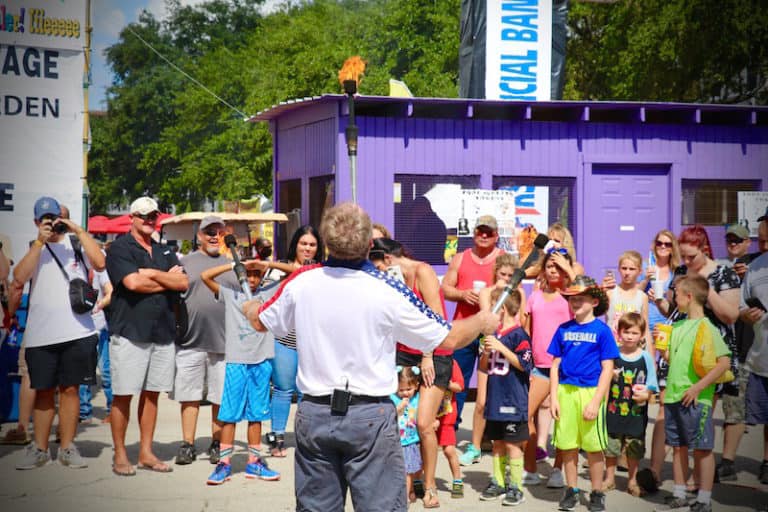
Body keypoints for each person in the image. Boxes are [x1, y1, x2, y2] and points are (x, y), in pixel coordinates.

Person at [246, 202, 498, 512]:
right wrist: (483, 321)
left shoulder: (303, 282)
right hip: (369, 415)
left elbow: (261, 320)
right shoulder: (386, 290)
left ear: (326, 242)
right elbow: (448, 336)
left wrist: (249, 307)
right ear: (369, 245)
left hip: (316, 413)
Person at [12, 196, 105, 470]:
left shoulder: (76, 244)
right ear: (36, 222)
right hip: (42, 334)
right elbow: (18, 278)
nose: (53, 223)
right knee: (43, 392)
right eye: (46, 219)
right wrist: (40, 241)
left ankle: (67, 447)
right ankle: (39, 449)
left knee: (71, 390)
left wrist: (79, 231)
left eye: (57, 217)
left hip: (77, 331)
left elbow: (100, 263)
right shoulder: (34, 248)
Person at [106, 196, 189, 476]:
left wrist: (153, 274)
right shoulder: (119, 248)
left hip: (162, 332)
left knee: (152, 395)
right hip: (130, 331)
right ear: (132, 217)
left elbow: (183, 282)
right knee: (123, 394)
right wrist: (166, 282)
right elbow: (131, 282)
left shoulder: (164, 251)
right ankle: (120, 453)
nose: (150, 220)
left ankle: (145, 452)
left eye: (154, 215)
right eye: (144, 215)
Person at [369, 237, 451, 507]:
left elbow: (437, 319)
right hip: (403, 352)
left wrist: (427, 355)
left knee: (424, 423)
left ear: (389, 259)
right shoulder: (391, 279)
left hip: (433, 352)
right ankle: (402, 480)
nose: (378, 274)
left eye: (378, 267)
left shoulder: (422, 271)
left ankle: (430, 486)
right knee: (392, 419)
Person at [199, 259, 280, 485]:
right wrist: (235, 265)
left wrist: (267, 263)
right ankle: (224, 464)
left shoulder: (270, 291)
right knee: (229, 415)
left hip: (262, 361)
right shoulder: (231, 294)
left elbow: (297, 272)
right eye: (248, 274)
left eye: (257, 274)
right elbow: (205, 276)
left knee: (257, 415)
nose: (252, 279)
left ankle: (254, 462)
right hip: (237, 362)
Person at [658, 274, 731, 512]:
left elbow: (723, 363)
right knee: (678, 446)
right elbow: (673, 359)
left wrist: (698, 387)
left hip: (697, 398)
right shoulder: (677, 325)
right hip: (673, 395)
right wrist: (661, 348)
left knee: (702, 448)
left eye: (676, 294)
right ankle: (679, 492)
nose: (673, 297)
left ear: (689, 297)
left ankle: (704, 498)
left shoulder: (707, 327)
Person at [548, 275, 618, 512]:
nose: (575, 303)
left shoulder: (603, 331)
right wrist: (554, 397)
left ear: (595, 302)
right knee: (567, 446)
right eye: (572, 299)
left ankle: (597, 492)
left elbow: (608, 368)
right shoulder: (563, 329)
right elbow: (555, 365)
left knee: (594, 447)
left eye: (581, 299)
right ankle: (572, 489)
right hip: (566, 392)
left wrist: (597, 401)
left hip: (590, 392)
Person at [253, 225, 324, 457]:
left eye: (312, 245)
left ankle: (307, 438)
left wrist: (270, 262)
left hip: (312, 342)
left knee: (308, 392)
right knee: (283, 390)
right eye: (304, 243)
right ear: (295, 245)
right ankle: (277, 437)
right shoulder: (278, 272)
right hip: (284, 340)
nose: (308, 248)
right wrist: (272, 265)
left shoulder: (322, 271)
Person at [173, 216, 238, 466]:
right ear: (199, 235)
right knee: (189, 396)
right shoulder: (184, 263)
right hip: (190, 341)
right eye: (208, 232)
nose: (213, 236)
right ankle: (187, 444)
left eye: (218, 232)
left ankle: (216, 442)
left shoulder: (231, 265)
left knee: (219, 398)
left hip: (223, 343)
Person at [459, 253, 523, 466]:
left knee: (510, 400)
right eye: (502, 274)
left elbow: (520, 321)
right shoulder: (488, 292)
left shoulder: (519, 293)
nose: (505, 278)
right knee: (482, 401)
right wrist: (501, 291)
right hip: (488, 345)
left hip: (509, 347)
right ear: (496, 273)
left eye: (510, 276)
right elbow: (489, 315)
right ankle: (475, 446)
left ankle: (510, 447)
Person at [442, 214, 503, 428]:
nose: (484, 235)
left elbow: (513, 293)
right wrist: (462, 295)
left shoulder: (502, 258)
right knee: (458, 379)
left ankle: (490, 432)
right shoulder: (461, 257)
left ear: (496, 236)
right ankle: (451, 426)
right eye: (480, 231)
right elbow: (445, 289)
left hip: (492, 329)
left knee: (495, 381)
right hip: (464, 327)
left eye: (489, 232)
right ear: (474, 233)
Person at [521, 249, 574, 487]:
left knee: (564, 421)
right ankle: (530, 468)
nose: (554, 270)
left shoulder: (573, 296)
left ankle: (557, 470)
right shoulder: (535, 296)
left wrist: (568, 270)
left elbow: (590, 294)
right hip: (540, 368)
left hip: (566, 369)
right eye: (550, 266)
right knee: (524, 415)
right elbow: (529, 330)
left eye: (559, 267)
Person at [713, 222, 759, 482]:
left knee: (735, 407)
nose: (733, 244)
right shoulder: (718, 267)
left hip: (747, 346)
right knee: (709, 406)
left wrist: (746, 276)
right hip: (722, 346)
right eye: (729, 240)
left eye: (738, 240)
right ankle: (704, 457)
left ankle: (728, 460)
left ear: (747, 243)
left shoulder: (757, 266)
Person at [478, 288, 533, 506]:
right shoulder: (493, 335)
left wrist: (501, 347)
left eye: (493, 308)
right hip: (496, 398)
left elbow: (525, 364)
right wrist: (486, 352)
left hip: (513, 400)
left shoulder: (519, 335)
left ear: (501, 309)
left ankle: (516, 487)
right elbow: (483, 367)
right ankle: (498, 482)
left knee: (512, 445)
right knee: (497, 443)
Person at [637, 229, 681, 493]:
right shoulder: (646, 268)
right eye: (659, 243)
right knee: (639, 388)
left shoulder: (678, 273)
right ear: (653, 246)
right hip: (645, 330)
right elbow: (635, 294)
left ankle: (657, 467)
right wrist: (645, 280)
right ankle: (632, 448)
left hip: (667, 331)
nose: (663, 247)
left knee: (664, 397)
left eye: (667, 243)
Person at [603, 312, 658, 497]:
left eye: (634, 333)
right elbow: (602, 376)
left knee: (634, 448)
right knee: (611, 447)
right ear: (619, 333)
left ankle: (632, 481)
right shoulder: (613, 354)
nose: (629, 336)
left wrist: (646, 395)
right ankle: (609, 479)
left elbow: (652, 383)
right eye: (626, 332)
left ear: (642, 335)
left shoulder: (646, 358)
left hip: (636, 413)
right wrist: (610, 375)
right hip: (613, 411)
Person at [739, 213, 768, 485]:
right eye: (761, 238)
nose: (763, 241)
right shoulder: (756, 268)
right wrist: (746, 315)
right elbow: (742, 305)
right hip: (762, 359)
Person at [78, 243, 114, 424]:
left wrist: (98, 306)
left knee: (106, 371)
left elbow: (110, 292)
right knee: (83, 373)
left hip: (99, 327)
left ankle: (111, 411)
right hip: (80, 329)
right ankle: (84, 412)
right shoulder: (75, 268)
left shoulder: (100, 271)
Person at [390, 365, 423, 504]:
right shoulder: (393, 398)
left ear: (416, 385)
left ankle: (408, 494)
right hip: (397, 441)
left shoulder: (419, 398)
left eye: (408, 389)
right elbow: (390, 416)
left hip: (411, 441)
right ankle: (406, 494)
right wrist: (399, 408)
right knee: (401, 471)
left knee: (410, 470)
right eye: (401, 389)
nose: (405, 393)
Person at [604, 250, 650, 345]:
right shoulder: (610, 293)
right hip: (612, 347)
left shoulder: (642, 297)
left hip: (633, 350)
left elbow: (645, 329)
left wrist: (650, 357)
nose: (627, 272)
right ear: (619, 269)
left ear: (640, 271)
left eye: (632, 269)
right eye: (624, 268)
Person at [435, 360, 465, 499]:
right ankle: (418, 480)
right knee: (424, 451)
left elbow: (459, 386)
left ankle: (457, 480)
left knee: (449, 450)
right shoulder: (424, 362)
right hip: (429, 417)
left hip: (447, 417)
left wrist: (445, 383)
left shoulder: (451, 363)